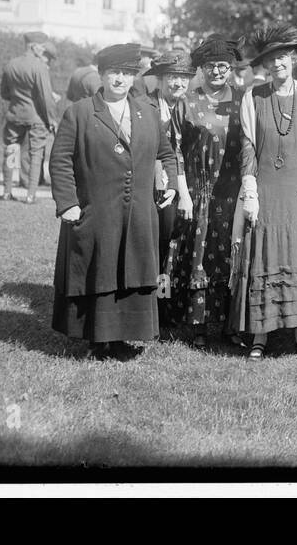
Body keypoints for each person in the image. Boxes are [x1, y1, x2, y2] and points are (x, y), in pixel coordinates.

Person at [50, 42, 177, 360]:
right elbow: (60, 159)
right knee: (101, 269)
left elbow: (166, 153)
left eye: (126, 73)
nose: (119, 79)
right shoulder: (79, 113)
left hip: (138, 213)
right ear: (102, 75)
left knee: (132, 271)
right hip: (97, 210)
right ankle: (98, 339)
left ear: (134, 77)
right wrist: (68, 201)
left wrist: (171, 183)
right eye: (113, 72)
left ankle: (123, 338)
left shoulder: (147, 112)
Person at [229, 23, 297, 358]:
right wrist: (250, 188)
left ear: (293, 59)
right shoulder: (253, 97)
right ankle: (260, 334)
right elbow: (248, 145)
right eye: (271, 60)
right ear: (265, 65)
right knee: (265, 256)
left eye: (283, 58)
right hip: (267, 190)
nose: (277, 65)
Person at [167, 36, 247, 349]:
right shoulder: (188, 100)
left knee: (230, 256)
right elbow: (174, 149)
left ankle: (230, 326)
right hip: (198, 191)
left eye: (223, 66)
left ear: (231, 69)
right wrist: (183, 193)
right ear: (202, 68)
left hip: (231, 193)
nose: (217, 72)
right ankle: (198, 325)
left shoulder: (243, 100)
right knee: (198, 255)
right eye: (211, 66)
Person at [148, 49, 196, 338]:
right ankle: (152, 305)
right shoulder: (146, 106)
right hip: (154, 187)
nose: (178, 84)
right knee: (156, 246)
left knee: (171, 249)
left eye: (183, 78)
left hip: (181, 186)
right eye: (172, 77)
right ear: (161, 79)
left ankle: (167, 306)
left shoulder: (187, 106)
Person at [0, 31, 57, 204]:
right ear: (34, 47)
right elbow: (46, 98)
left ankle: (7, 192)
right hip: (36, 117)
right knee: (36, 154)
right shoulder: (39, 67)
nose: (43, 50)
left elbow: (4, 93)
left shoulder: (10, 64)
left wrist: (19, 100)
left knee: (10, 150)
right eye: (42, 47)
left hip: (14, 115)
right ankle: (31, 195)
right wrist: (52, 119)